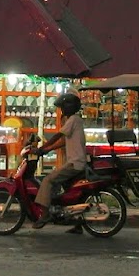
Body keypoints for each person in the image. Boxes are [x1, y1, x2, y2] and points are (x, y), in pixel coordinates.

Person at [32, 92, 87, 229]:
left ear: (68, 107)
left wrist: (42, 148)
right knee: (65, 190)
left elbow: (58, 136)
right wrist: (46, 150)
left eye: (62, 107)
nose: (61, 110)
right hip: (76, 162)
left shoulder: (73, 120)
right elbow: (63, 141)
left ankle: (45, 214)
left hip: (74, 163)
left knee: (48, 180)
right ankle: (76, 223)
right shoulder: (77, 120)